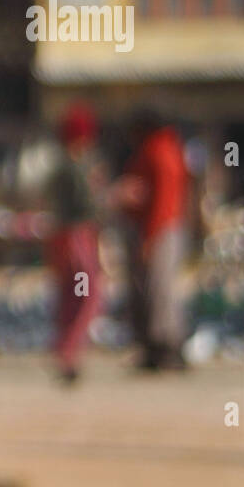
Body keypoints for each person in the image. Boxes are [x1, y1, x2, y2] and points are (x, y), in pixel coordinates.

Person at [115, 111, 190, 371]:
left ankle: (166, 349)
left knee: (160, 290)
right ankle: (153, 348)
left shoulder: (161, 150)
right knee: (148, 289)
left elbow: (163, 201)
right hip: (154, 229)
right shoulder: (156, 150)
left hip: (160, 230)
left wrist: (150, 237)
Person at [44, 103, 106, 385]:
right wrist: (108, 192)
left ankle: (65, 351)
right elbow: (86, 205)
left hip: (64, 236)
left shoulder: (61, 167)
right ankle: (68, 353)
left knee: (71, 295)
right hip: (76, 236)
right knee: (86, 295)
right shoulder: (74, 168)